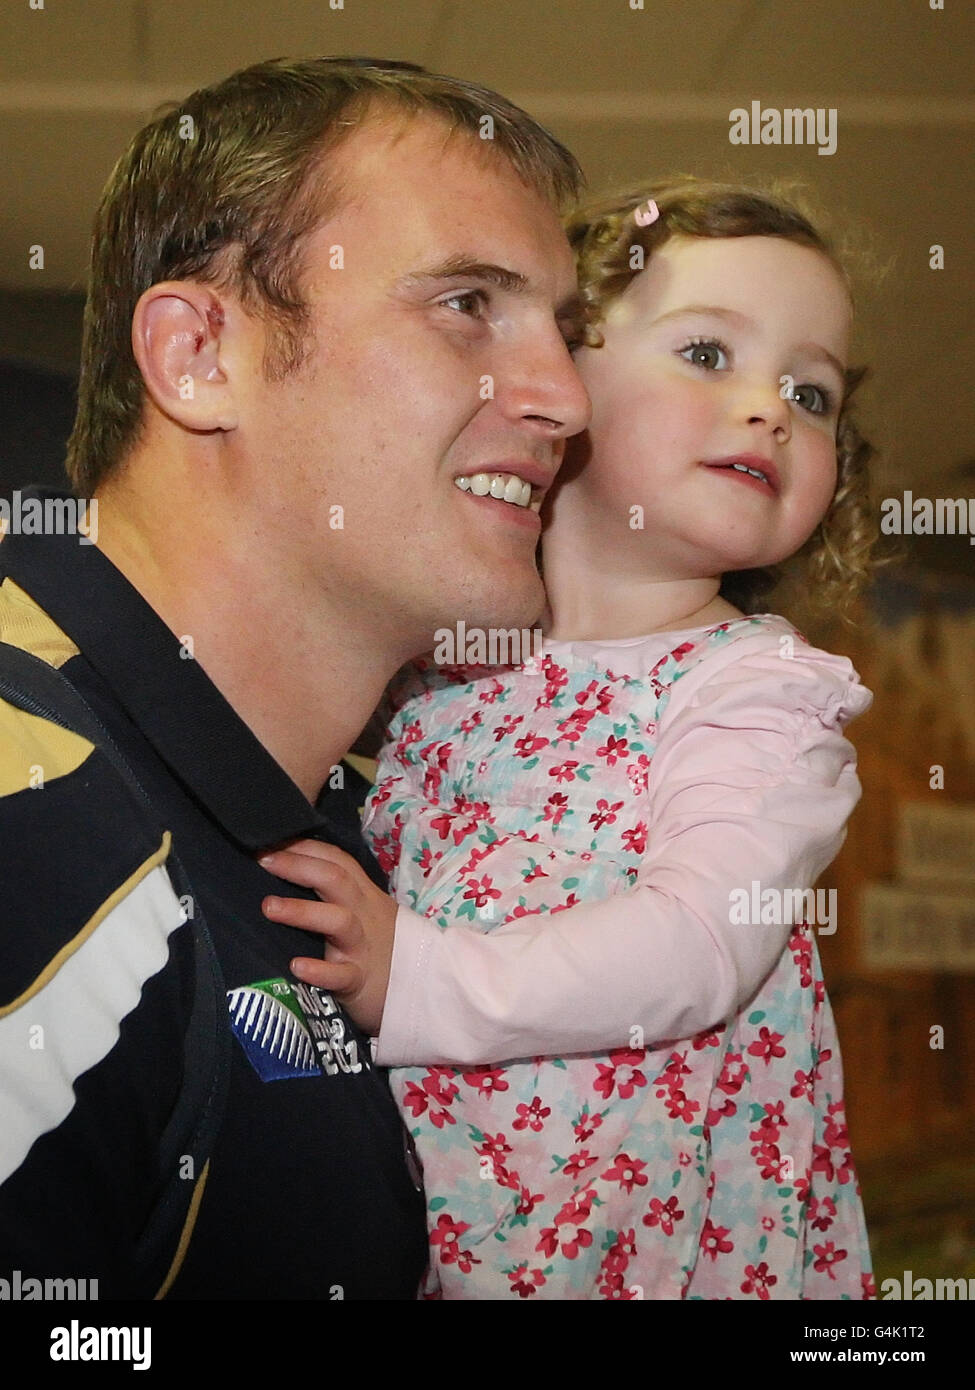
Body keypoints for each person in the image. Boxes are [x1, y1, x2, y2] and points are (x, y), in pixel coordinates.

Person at [0, 56, 592, 1299]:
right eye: (467, 305)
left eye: (564, 329)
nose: (564, 399)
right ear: (200, 353)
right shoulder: (29, 812)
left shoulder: (383, 820)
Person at [261, 177, 879, 1299]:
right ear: (564, 381)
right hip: (456, 1234)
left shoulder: (759, 697)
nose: (773, 409)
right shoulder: (441, 664)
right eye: (708, 354)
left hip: (662, 1260)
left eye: (814, 391)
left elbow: (698, 943)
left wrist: (423, 978)